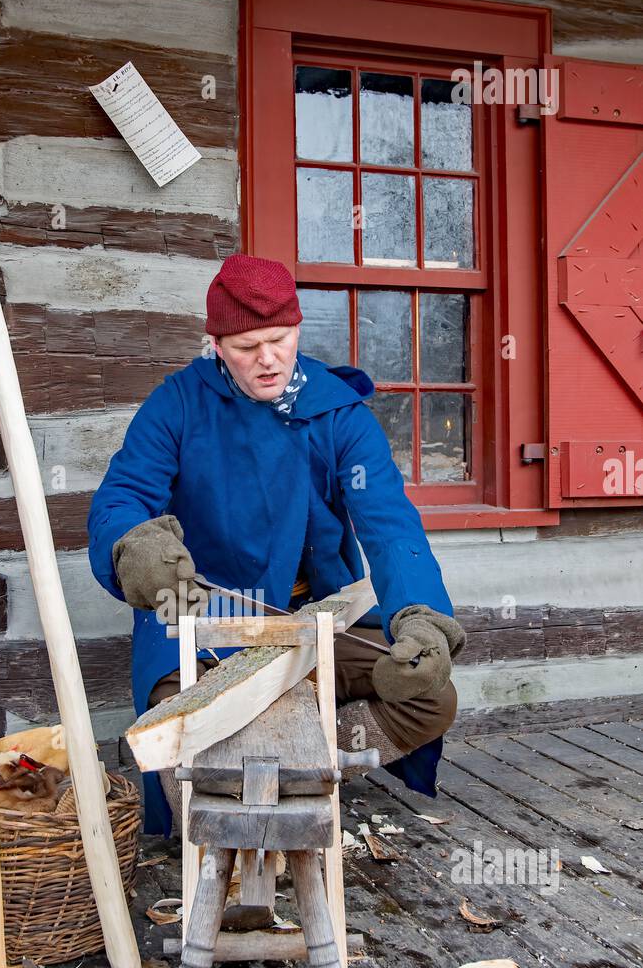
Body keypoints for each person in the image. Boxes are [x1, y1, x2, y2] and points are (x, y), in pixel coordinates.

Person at [88, 253, 465, 833]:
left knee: (426, 693)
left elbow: (389, 525)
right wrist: (131, 544)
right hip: (201, 618)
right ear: (215, 344)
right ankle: (239, 798)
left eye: (281, 339)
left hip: (312, 624)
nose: (268, 359)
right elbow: (122, 497)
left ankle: (302, 770)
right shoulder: (178, 405)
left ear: (297, 331)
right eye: (246, 346)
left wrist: (419, 615)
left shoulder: (338, 412)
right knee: (174, 726)